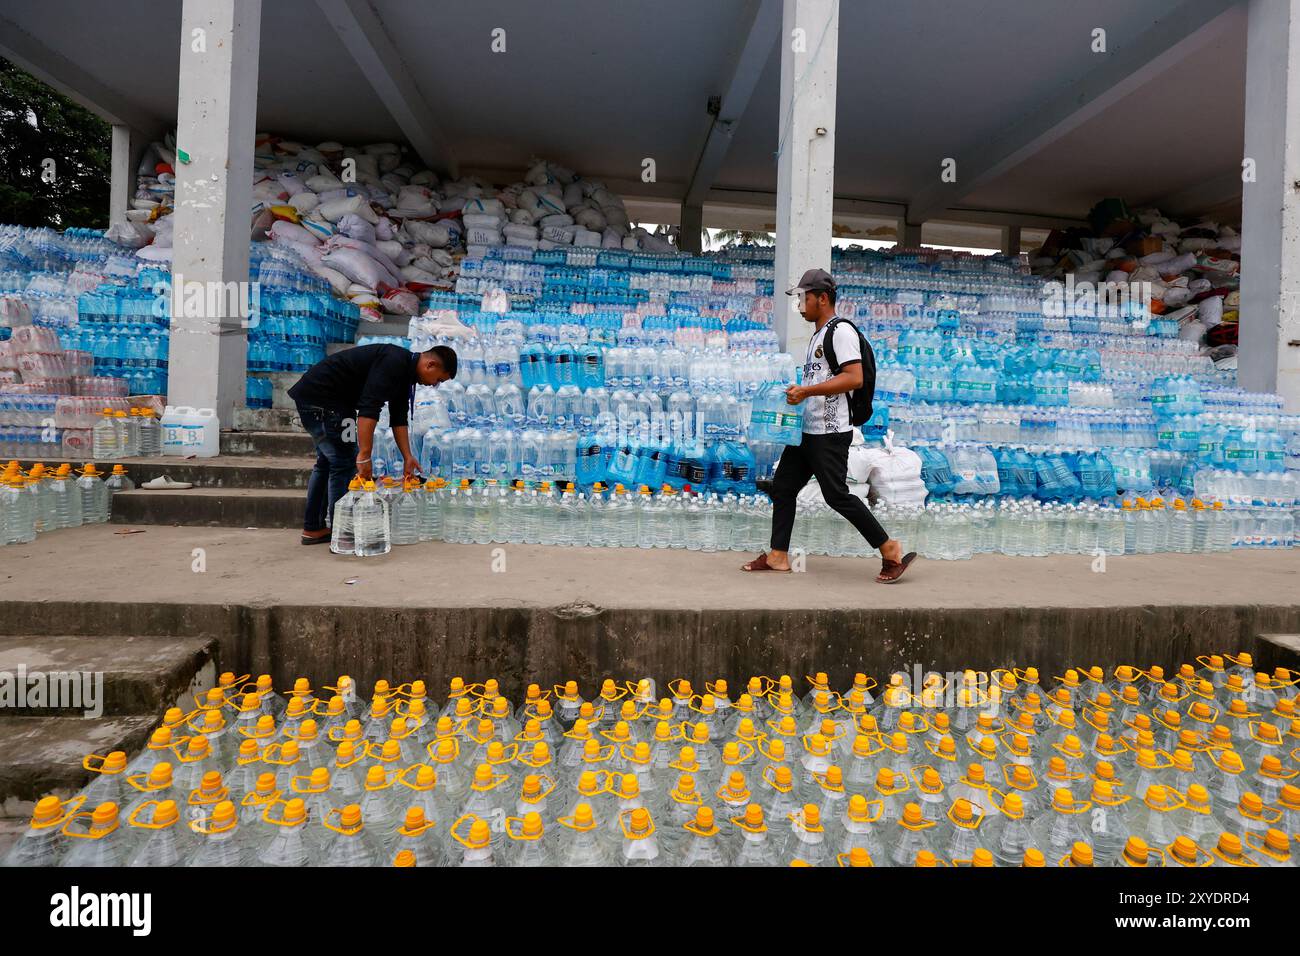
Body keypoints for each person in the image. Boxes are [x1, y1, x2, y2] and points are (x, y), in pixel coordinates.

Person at [742, 268, 916, 583]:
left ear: (822, 298)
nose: (800, 304)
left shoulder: (841, 332)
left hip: (830, 431)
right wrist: (799, 396)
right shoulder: (818, 336)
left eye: (804, 297)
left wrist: (806, 391)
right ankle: (778, 556)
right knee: (784, 487)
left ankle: (890, 549)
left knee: (836, 494)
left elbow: (854, 377)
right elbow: (823, 380)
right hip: (808, 430)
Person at [287, 343, 457, 545]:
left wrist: (407, 456)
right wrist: (364, 455)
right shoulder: (394, 362)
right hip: (325, 401)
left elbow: (398, 418)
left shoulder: (405, 372)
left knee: (327, 463)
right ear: (431, 365)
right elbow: (369, 408)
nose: (434, 384)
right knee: (344, 463)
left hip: (330, 402)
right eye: (438, 379)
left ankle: (314, 528)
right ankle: (343, 535)